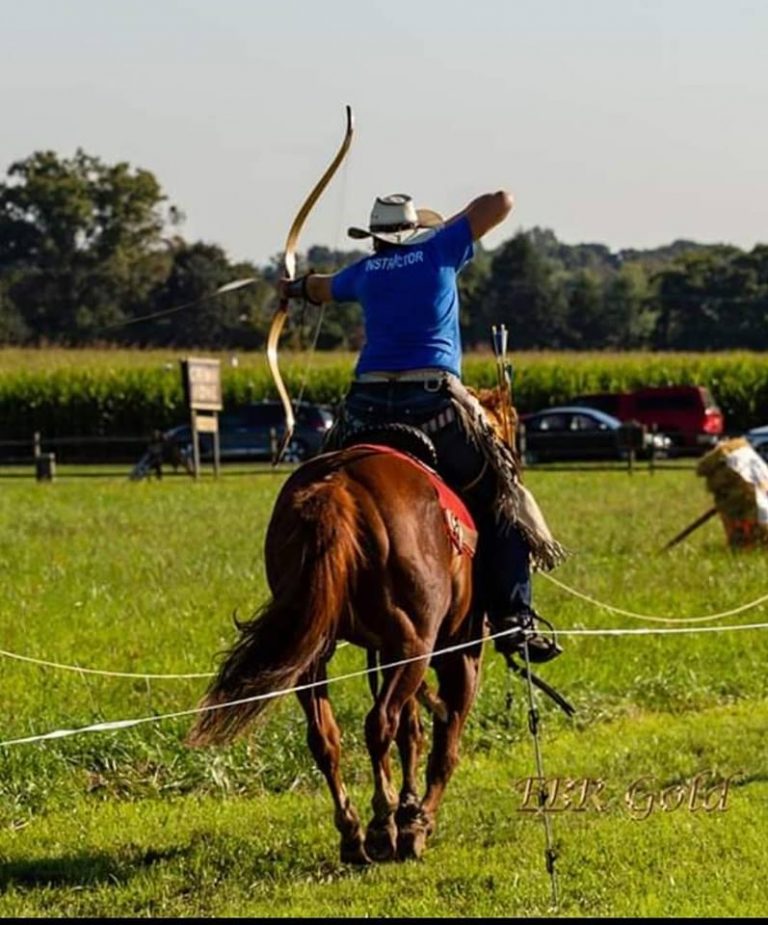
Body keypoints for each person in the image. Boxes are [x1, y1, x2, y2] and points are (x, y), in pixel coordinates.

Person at [279, 192, 565, 663]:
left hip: (366, 408)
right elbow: (503, 201)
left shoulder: (365, 272)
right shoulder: (439, 249)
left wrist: (292, 289)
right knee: (502, 497)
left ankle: (302, 608)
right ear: (414, 231)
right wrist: (445, 231)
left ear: (374, 237)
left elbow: (320, 289)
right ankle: (514, 619)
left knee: (321, 484)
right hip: (434, 406)